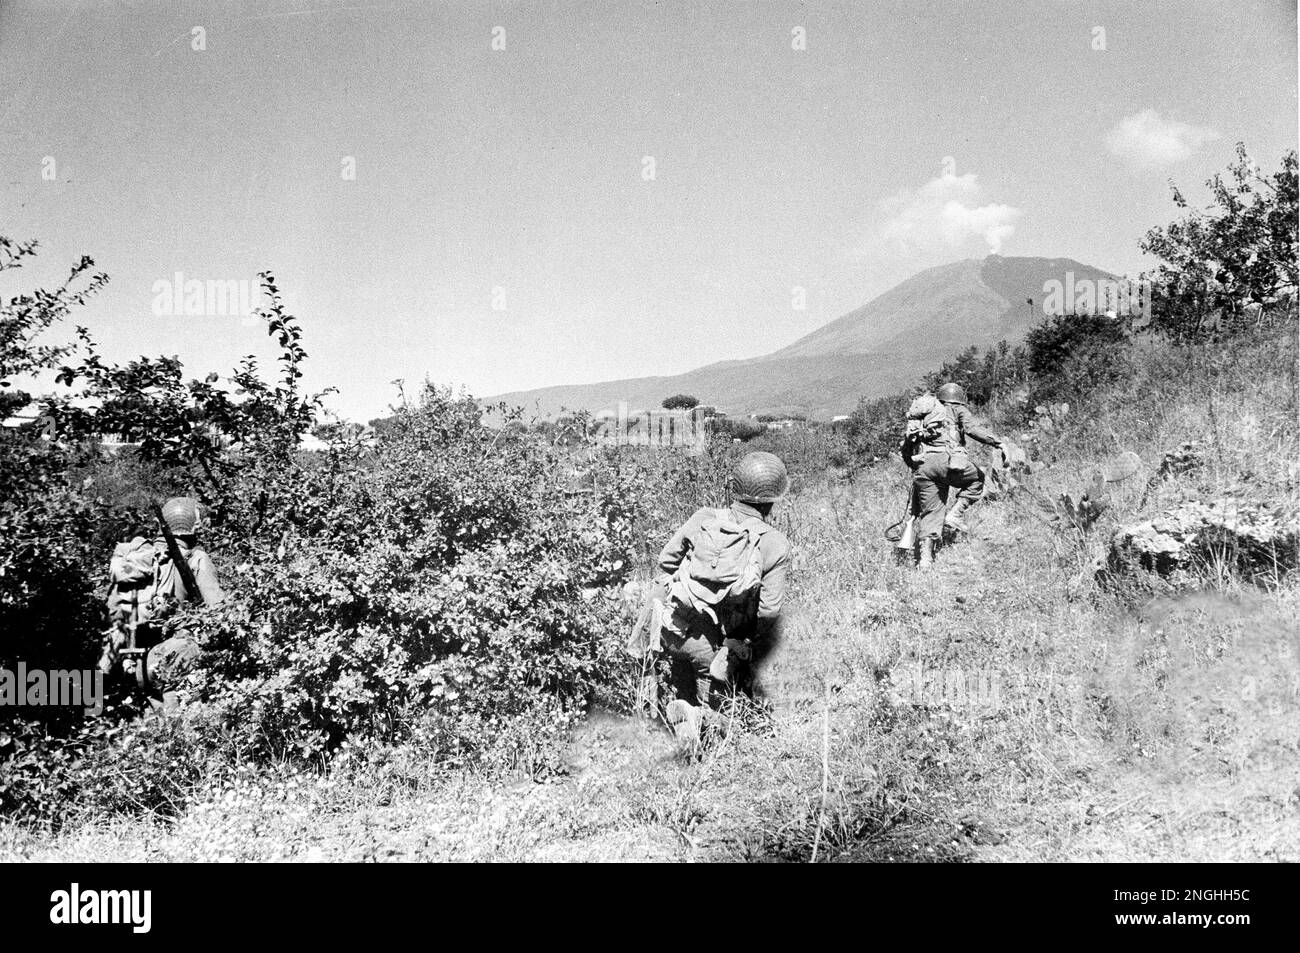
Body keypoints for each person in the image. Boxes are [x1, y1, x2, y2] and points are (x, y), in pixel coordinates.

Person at [653, 451, 791, 741]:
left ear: (734, 487)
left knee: (685, 690)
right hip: (714, 651)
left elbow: (666, 563)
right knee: (727, 723)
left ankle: (683, 711)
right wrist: (743, 646)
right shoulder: (774, 543)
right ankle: (699, 716)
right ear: (773, 499)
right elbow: (768, 613)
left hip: (673, 630)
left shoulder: (703, 518)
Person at [102, 496, 224, 709]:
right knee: (184, 730)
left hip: (140, 664)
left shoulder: (144, 562)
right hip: (176, 657)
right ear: (195, 526)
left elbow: (114, 618)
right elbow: (221, 613)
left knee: (156, 733)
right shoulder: (195, 558)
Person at [904, 383, 1002, 567]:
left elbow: (906, 446)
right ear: (959, 399)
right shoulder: (957, 409)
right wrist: (998, 443)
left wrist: (915, 467)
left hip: (924, 466)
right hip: (950, 462)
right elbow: (973, 430)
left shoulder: (923, 415)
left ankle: (925, 560)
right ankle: (955, 514)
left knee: (931, 512)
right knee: (978, 478)